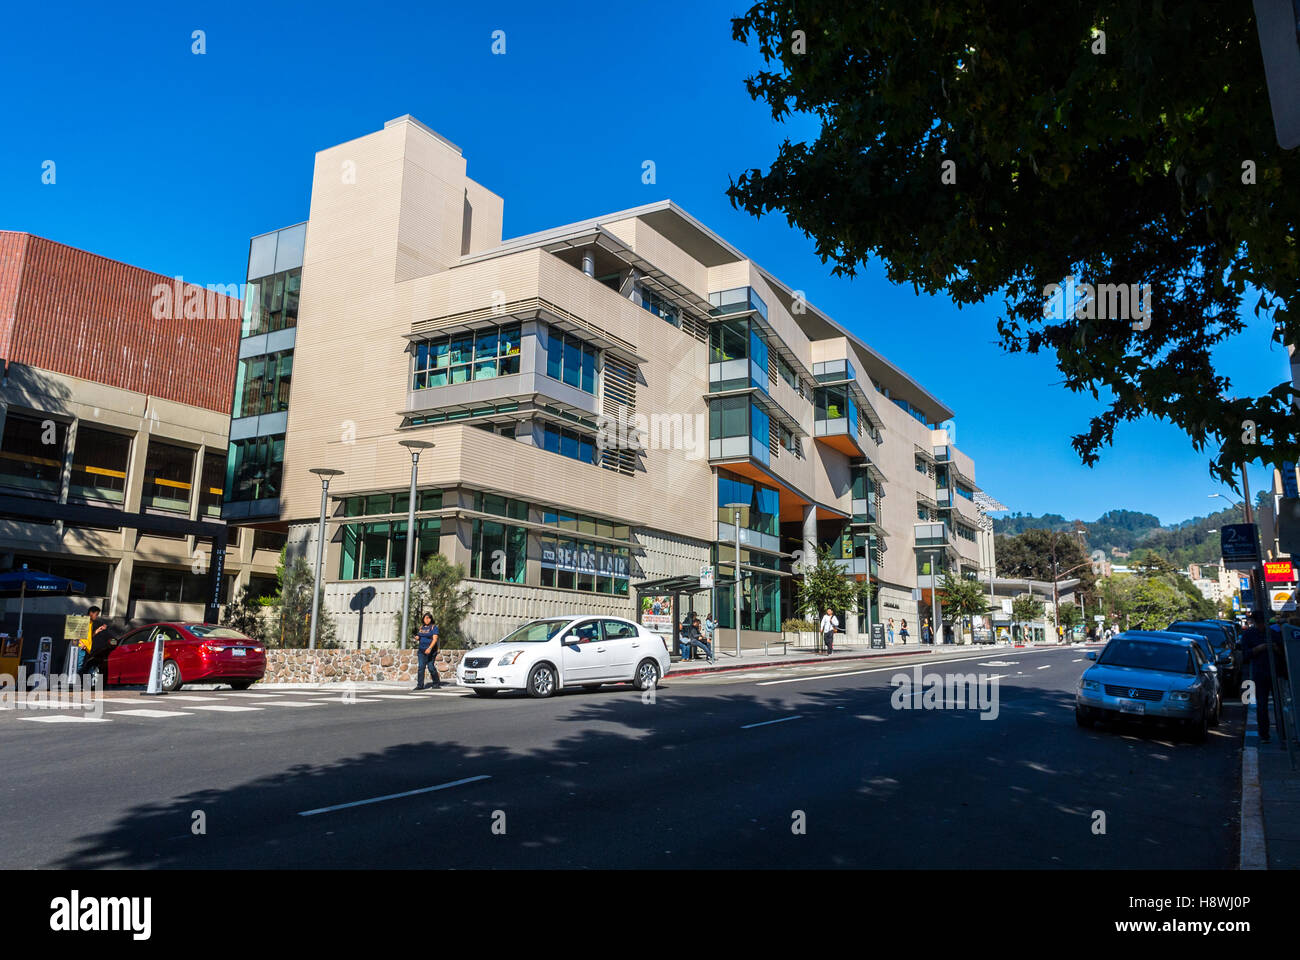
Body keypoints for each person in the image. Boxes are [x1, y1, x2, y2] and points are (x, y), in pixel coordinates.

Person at [1242, 613, 1284, 743]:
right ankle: (1264, 734)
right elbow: (1245, 655)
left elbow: (1283, 653)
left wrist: (1276, 648)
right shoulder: (1249, 634)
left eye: (1263, 623)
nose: (1261, 626)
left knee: (1279, 704)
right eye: (1259, 623)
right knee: (1262, 705)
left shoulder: (1273, 634)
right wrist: (1258, 649)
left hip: (1275, 672)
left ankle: (1282, 732)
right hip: (1260, 673)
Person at [414, 613, 441, 689]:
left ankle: (436, 683)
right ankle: (420, 685)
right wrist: (417, 637)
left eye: (429, 618)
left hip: (431, 651)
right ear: (423, 619)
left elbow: (435, 639)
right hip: (421, 651)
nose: (427, 619)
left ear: (431, 619)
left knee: (430, 667)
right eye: (426, 618)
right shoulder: (422, 627)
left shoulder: (434, 627)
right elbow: (419, 636)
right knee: (421, 667)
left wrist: (429, 648)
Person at [82, 606, 109, 676]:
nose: (97, 617)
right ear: (91, 613)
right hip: (81, 648)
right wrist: (81, 644)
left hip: (87, 648)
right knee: (79, 666)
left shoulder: (90, 622)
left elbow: (90, 636)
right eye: (96, 614)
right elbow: (75, 634)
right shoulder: (84, 621)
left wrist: (99, 629)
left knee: (82, 666)